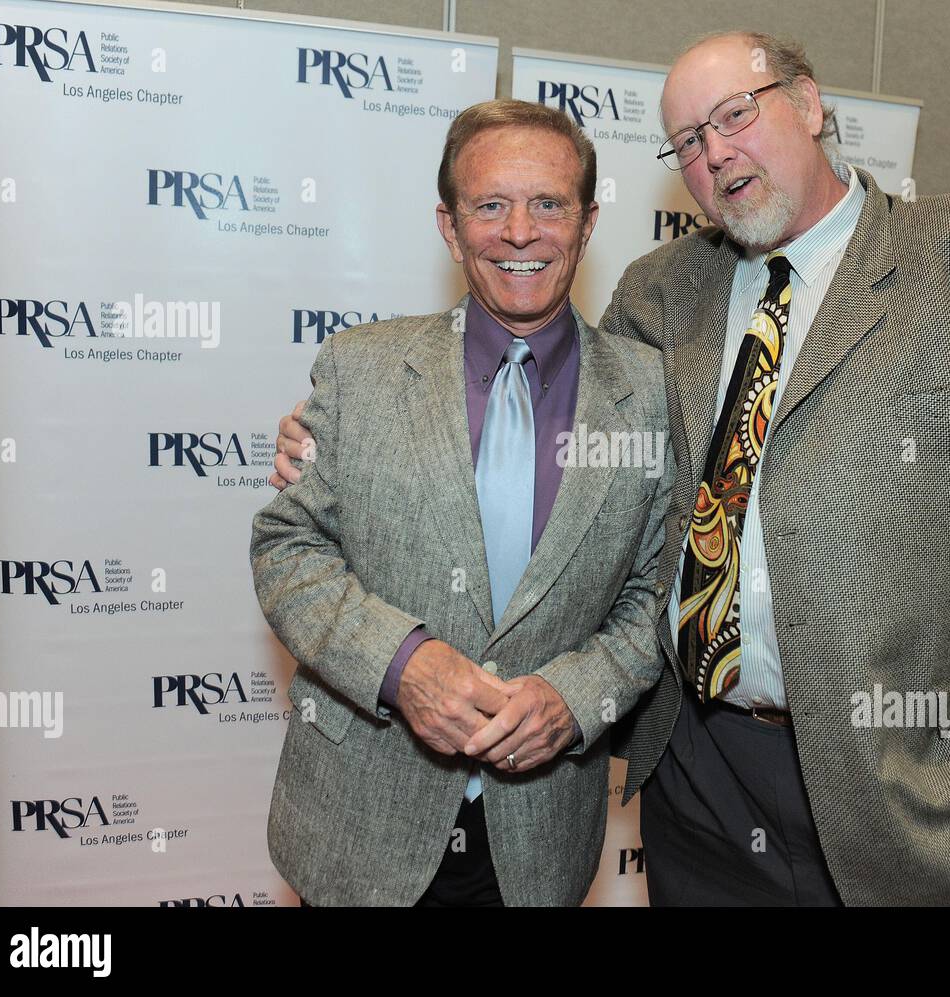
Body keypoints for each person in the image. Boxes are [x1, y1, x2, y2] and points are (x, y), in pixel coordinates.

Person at [273, 31, 950, 906]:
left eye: (734, 116)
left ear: (812, 103)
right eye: (687, 142)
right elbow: (604, 480)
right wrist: (328, 433)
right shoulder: (663, 292)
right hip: (703, 781)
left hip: (907, 784)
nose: (714, 153)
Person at [251, 98, 673, 906]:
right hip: (357, 823)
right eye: (490, 205)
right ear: (450, 226)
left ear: (586, 224)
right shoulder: (359, 369)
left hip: (539, 840)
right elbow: (287, 551)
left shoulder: (651, 395)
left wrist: (575, 699)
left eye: (549, 203)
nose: (520, 231)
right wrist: (402, 666)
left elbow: (653, 597)